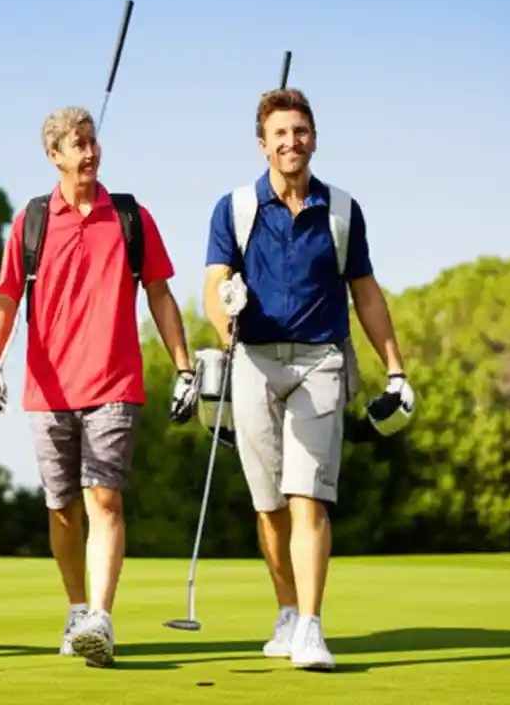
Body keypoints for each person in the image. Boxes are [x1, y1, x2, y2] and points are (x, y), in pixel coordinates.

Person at [0, 106, 198, 668]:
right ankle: (76, 608)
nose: (90, 152)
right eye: (78, 144)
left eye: (93, 141)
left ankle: (100, 616)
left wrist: (185, 366)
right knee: (63, 507)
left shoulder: (131, 217)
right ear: (54, 155)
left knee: (104, 496)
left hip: (114, 382)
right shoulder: (31, 222)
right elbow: (6, 297)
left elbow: (161, 296)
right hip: (47, 390)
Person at [202, 89, 414, 671]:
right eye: (279, 134)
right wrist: (227, 313)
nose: (290, 142)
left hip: (322, 362)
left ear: (314, 137)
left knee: (308, 496)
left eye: (300, 131)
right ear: (261, 143)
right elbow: (213, 286)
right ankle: (288, 611)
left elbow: (366, 294)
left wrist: (395, 368)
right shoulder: (236, 207)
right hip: (253, 361)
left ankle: (314, 628)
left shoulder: (342, 210)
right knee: (268, 503)